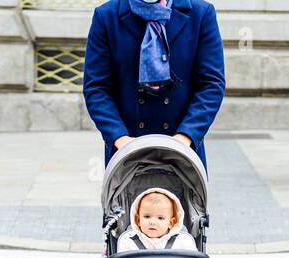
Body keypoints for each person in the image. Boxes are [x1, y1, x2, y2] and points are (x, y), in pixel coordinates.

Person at [82, 0, 226, 169]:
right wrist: (120, 139)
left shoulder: (201, 13)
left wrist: (186, 136)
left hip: (184, 153)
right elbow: (96, 88)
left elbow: (211, 84)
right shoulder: (106, 15)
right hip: (126, 153)